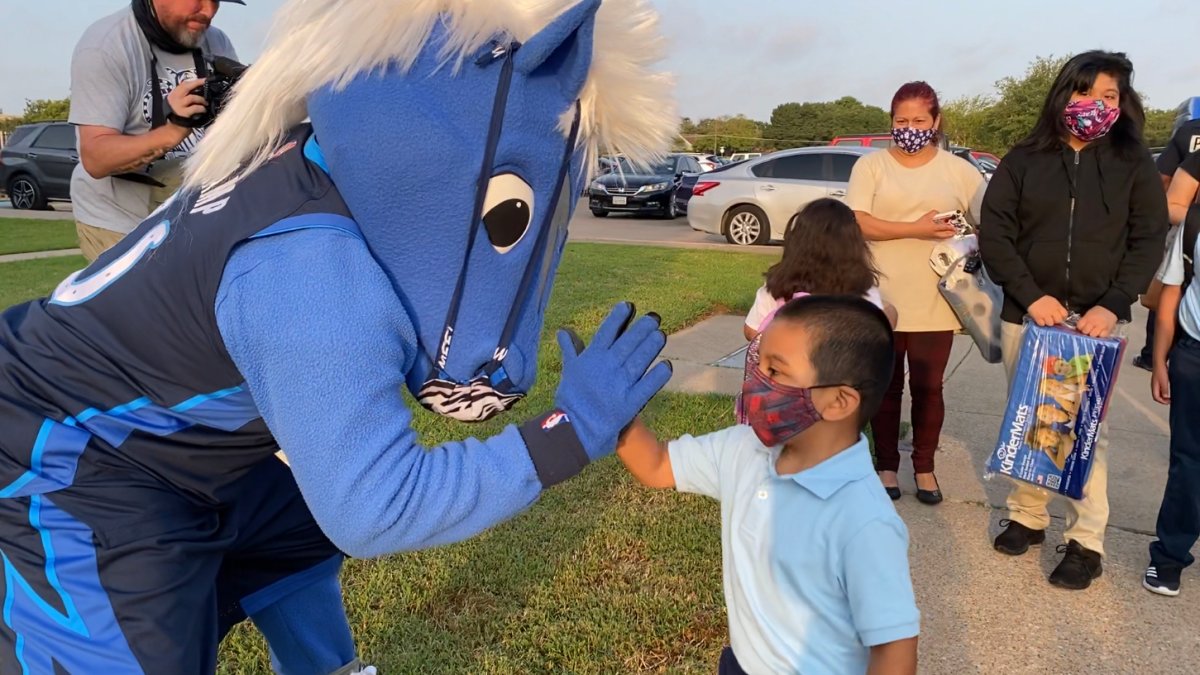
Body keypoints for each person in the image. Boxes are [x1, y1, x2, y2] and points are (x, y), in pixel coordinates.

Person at [0, 0, 678, 670]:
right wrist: (571, 429)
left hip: (152, 439)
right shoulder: (312, 267)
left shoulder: (309, 158)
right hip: (62, 456)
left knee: (295, 522)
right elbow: (377, 505)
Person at [617, 295, 919, 675]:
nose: (756, 381)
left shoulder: (864, 519)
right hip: (740, 662)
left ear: (839, 401)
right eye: (757, 364)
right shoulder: (743, 448)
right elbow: (658, 465)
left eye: (775, 372)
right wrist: (612, 412)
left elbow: (894, 648)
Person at [979, 50, 1168, 590]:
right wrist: (1030, 295)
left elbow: (1147, 240)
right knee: (1030, 418)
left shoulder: (1134, 164)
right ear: (1065, 94)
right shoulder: (1024, 159)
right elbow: (996, 233)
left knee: (1087, 433)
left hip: (1095, 324)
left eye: (1110, 96)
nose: (1097, 105)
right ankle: (1027, 515)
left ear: (1123, 103)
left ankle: (1086, 541)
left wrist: (1112, 303)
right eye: (1087, 93)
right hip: (1030, 317)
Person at [846, 81, 986, 505]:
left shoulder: (959, 170)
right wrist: (916, 229)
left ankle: (924, 467)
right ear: (891, 122)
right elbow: (858, 221)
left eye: (919, 120)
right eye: (901, 121)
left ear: (936, 122)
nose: (910, 128)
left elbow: (989, 220)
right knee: (885, 387)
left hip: (937, 300)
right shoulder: (871, 167)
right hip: (880, 298)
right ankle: (886, 465)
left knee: (929, 388)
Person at [68, 0, 241, 261]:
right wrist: (174, 130)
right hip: (120, 220)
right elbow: (95, 157)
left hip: (188, 211)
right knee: (141, 301)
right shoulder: (105, 45)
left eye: (216, 0)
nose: (208, 11)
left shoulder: (216, 41)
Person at [1144, 189, 1200, 597]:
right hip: (1193, 356)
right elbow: (1171, 293)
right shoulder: (1194, 224)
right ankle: (1169, 557)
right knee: (1189, 461)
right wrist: (1160, 359)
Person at [742, 198, 897, 344]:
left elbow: (751, 330)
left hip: (785, 368)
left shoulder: (779, 286)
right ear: (853, 245)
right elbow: (877, 330)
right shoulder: (860, 291)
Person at [1132, 125, 1200, 370]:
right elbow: (1172, 203)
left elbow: (1163, 181)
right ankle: (1155, 356)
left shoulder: (1188, 131)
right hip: (1189, 243)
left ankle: (1153, 355)